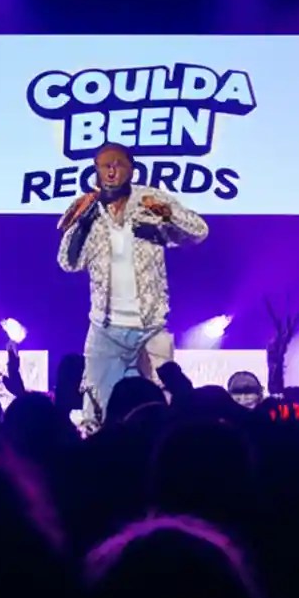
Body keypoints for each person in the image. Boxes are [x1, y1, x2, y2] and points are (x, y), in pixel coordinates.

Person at [57, 142, 208, 429]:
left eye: (118, 164)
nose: (111, 171)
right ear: (96, 170)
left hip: (151, 324)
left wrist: (164, 215)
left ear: (132, 169)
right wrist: (83, 225)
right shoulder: (86, 207)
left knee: (164, 407)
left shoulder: (150, 200)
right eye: (105, 166)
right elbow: (67, 262)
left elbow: (199, 231)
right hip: (105, 327)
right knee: (97, 409)